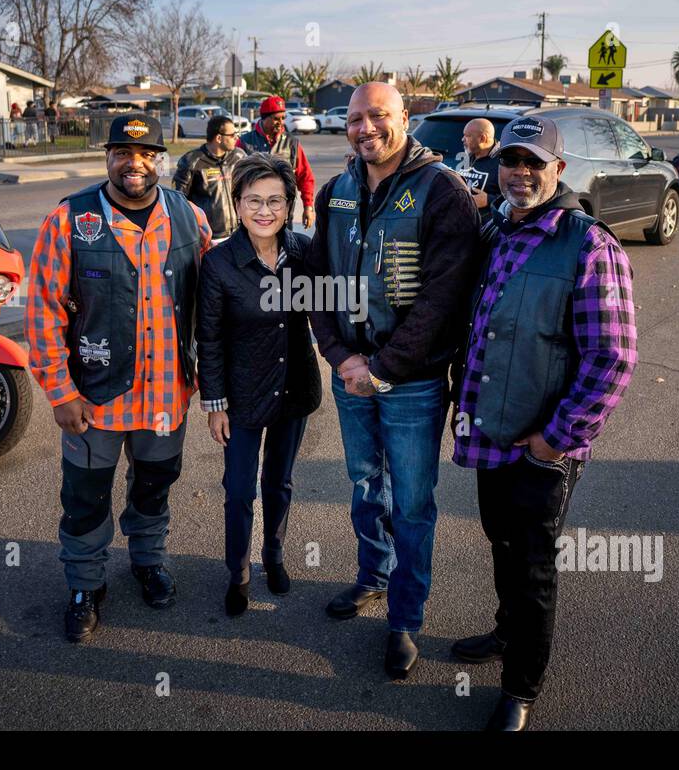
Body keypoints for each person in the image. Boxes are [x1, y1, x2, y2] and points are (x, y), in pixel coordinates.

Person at [448, 115, 637, 731]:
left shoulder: (588, 245)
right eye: (511, 160)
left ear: (559, 168)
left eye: (534, 162)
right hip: (490, 427)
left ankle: (521, 687)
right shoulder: (496, 229)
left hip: (543, 443)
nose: (520, 173)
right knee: (501, 541)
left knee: (532, 566)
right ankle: (507, 633)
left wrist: (555, 440)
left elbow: (613, 357)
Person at [306, 82, 481, 679]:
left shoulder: (442, 191)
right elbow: (317, 282)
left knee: (410, 502)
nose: (366, 128)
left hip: (412, 383)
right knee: (364, 484)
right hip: (350, 376)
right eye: (356, 118)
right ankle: (373, 574)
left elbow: (443, 300)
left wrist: (382, 368)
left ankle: (405, 617)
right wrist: (339, 356)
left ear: (406, 118)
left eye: (378, 116)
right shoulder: (336, 190)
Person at [26, 114, 213, 644]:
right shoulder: (69, 219)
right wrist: (60, 392)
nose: (135, 164)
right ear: (107, 156)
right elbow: (42, 310)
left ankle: (148, 562)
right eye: (123, 153)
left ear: (160, 160)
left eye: (147, 154)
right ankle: (85, 585)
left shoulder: (190, 218)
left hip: (166, 394)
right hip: (94, 397)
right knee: (85, 496)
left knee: (155, 485)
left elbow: (210, 300)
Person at [196, 153, 321, 616]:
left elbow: (330, 309)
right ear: (237, 204)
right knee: (239, 489)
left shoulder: (304, 252)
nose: (264, 211)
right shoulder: (219, 263)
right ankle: (239, 572)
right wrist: (215, 403)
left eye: (275, 201)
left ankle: (274, 555)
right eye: (253, 200)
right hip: (242, 393)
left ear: (289, 206)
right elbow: (208, 337)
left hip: (294, 387)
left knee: (279, 481)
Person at [238, 96, 317, 229]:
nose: (281, 122)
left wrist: (308, 207)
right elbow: (235, 179)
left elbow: (305, 177)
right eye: (276, 118)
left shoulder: (292, 143)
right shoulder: (244, 142)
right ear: (264, 118)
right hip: (254, 214)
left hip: (283, 213)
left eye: (283, 118)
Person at [173, 114, 246, 239]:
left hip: (238, 234)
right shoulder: (191, 161)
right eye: (232, 135)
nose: (236, 138)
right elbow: (178, 202)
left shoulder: (239, 157)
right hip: (208, 237)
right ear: (219, 138)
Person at [456, 117, 500, 225]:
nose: (462, 139)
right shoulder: (468, 155)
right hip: (459, 224)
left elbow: (518, 200)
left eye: (467, 136)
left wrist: (489, 200)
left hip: (485, 229)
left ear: (482, 138)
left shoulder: (504, 162)